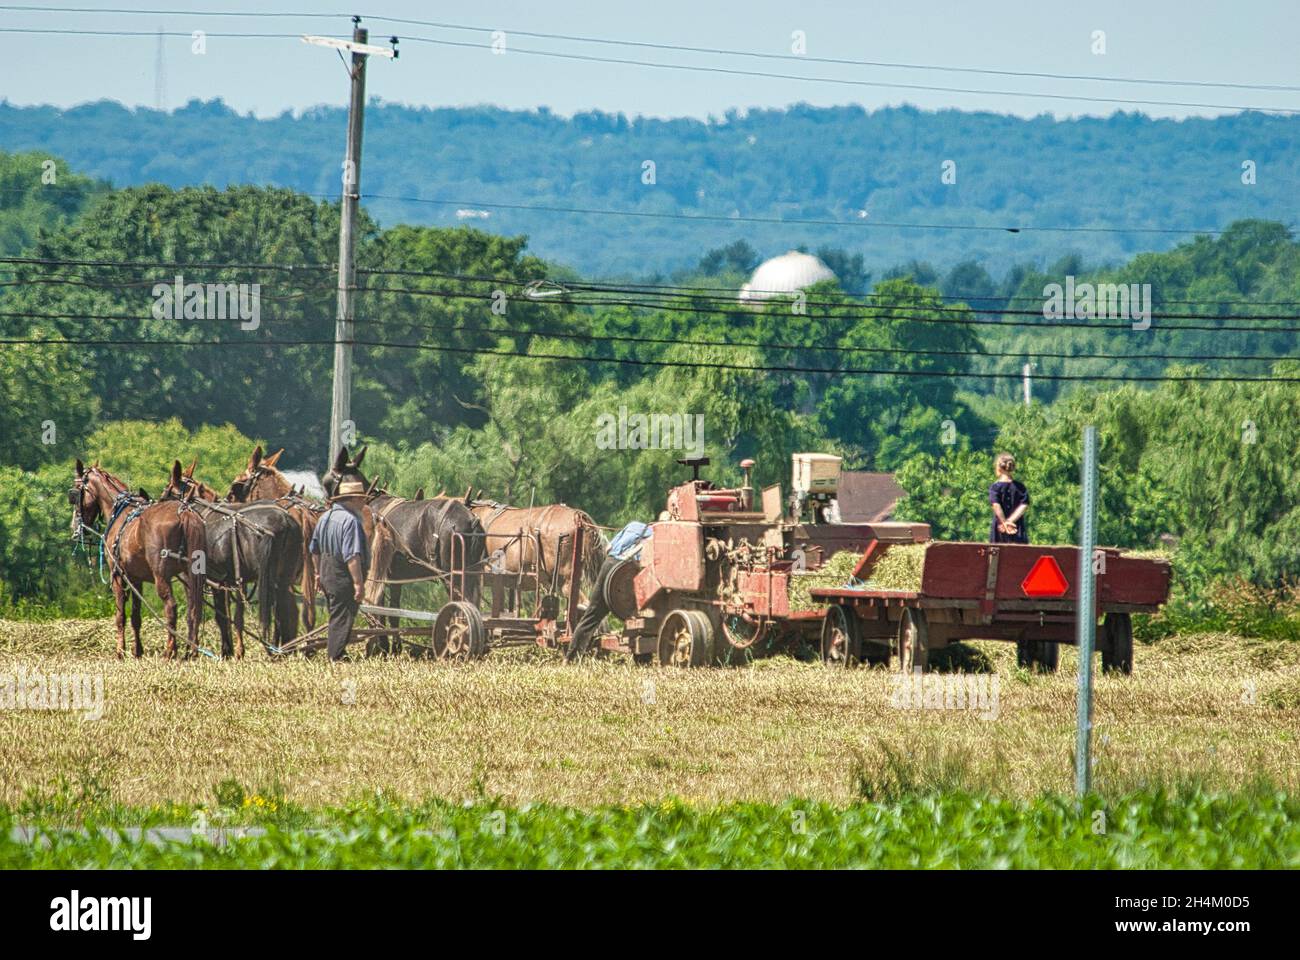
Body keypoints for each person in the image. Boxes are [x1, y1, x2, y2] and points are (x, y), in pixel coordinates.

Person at [565, 520, 653, 662]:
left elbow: (608, 548)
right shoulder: (656, 535)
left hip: (610, 564)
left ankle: (570, 658)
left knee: (591, 615)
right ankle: (642, 661)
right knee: (637, 616)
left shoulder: (633, 525)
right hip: (627, 572)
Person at [309, 478, 370, 661]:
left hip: (327, 572)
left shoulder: (325, 518)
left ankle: (338, 653)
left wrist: (318, 573)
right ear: (351, 500)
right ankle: (335, 656)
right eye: (361, 499)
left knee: (336, 614)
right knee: (342, 618)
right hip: (342, 576)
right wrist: (358, 584)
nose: (363, 503)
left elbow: (314, 550)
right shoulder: (350, 521)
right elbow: (352, 556)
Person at [989, 452, 1029, 544]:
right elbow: (1024, 505)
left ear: (999, 467)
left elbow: (996, 505)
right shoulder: (1020, 487)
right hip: (1016, 527)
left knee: (997, 555)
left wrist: (1004, 523)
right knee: (1020, 555)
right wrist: (1010, 521)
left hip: (999, 528)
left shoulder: (995, 487)